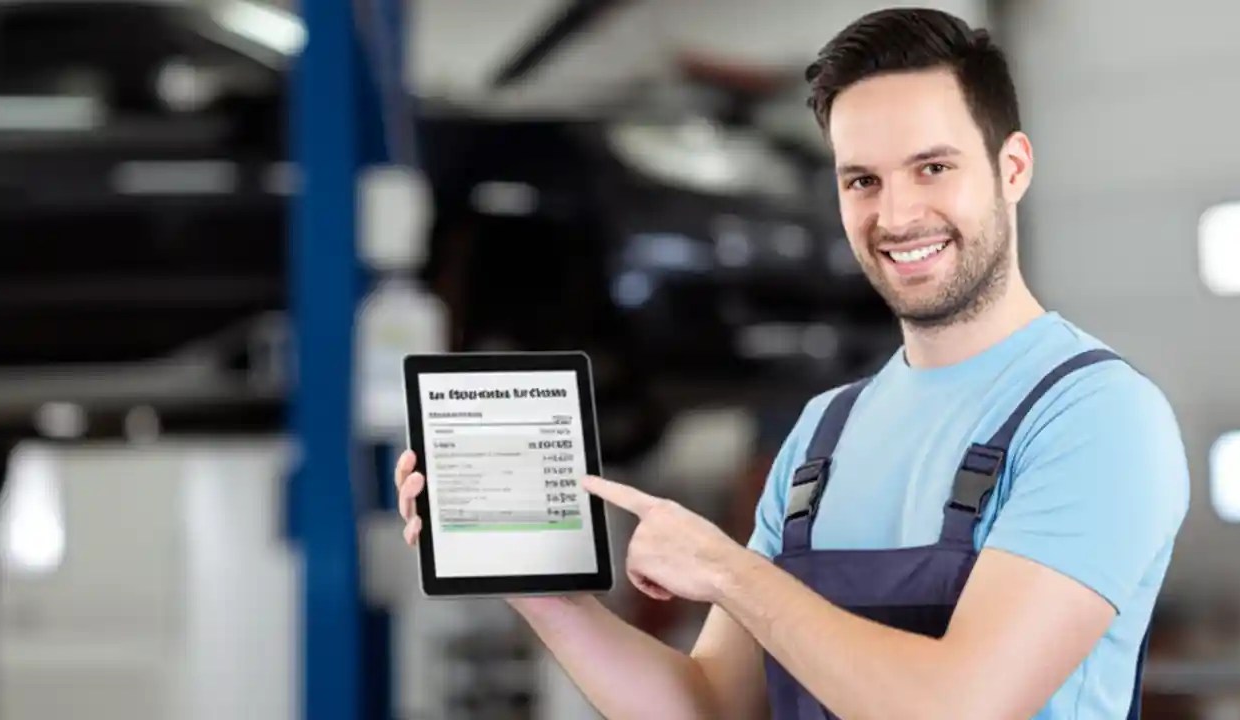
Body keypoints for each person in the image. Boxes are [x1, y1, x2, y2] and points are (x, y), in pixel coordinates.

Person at [395, 7, 1190, 719]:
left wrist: (730, 571)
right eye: (862, 181)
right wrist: (544, 592)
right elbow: (709, 708)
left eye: (933, 167)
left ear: (1011, 167)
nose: (897, 213)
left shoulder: (1097, 418)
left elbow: (957, 708)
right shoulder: (824, 435)